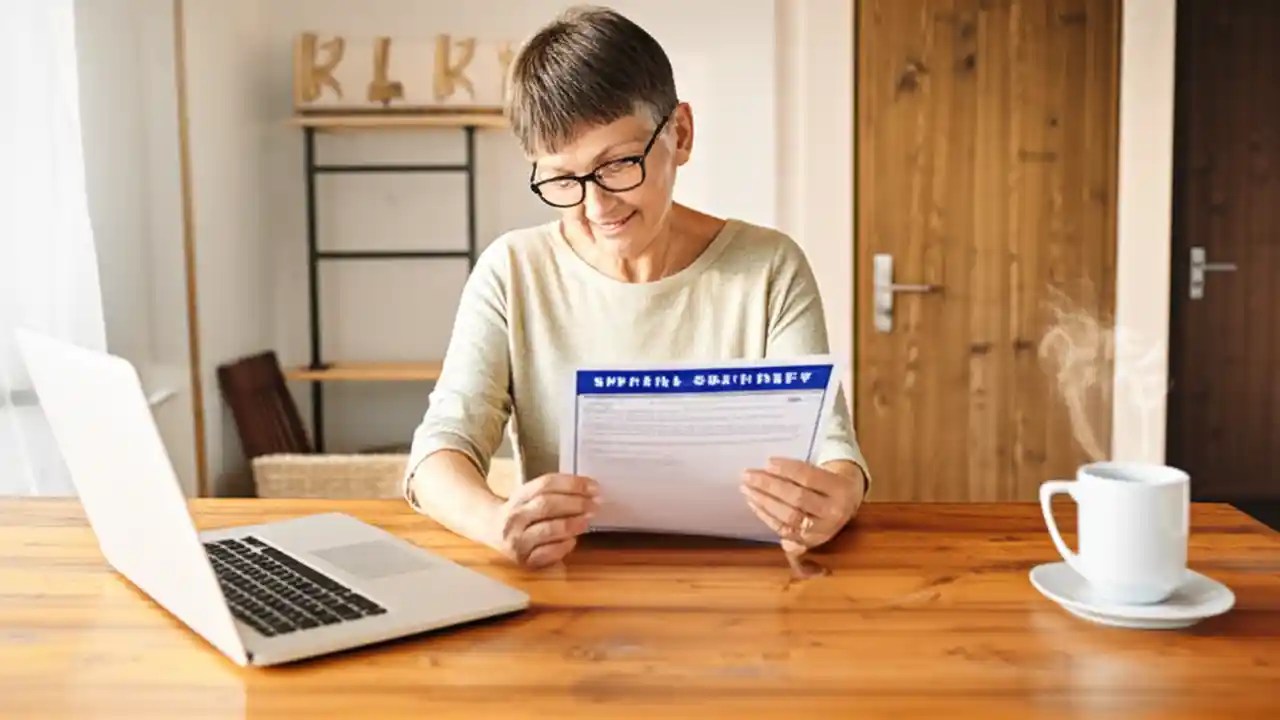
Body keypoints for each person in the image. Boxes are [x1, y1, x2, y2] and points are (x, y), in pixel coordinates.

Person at [403, 5, 870, 569]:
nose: (597, 206)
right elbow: (438, 451)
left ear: (681, 133)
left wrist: (838, 495)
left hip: (743, 585)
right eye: (562, 179)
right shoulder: (512, 271)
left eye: (620, 163)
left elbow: (831, 450)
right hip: (572, 587)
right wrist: (495, 522)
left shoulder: (768, 267)